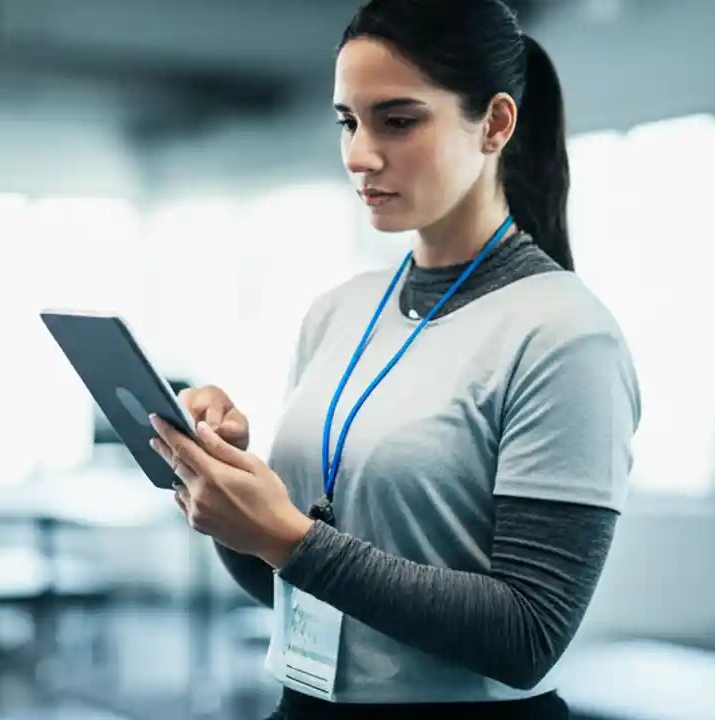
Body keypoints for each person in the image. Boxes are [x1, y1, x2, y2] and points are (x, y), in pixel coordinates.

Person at [147, 0, 641, 717]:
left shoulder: (565, 331)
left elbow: (529, 634)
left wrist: (289, 537)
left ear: (495, 124)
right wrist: (228, 494)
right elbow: (296, 582)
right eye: (348, 120)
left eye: (398, 121)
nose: (358, 155)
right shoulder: (338, 312)